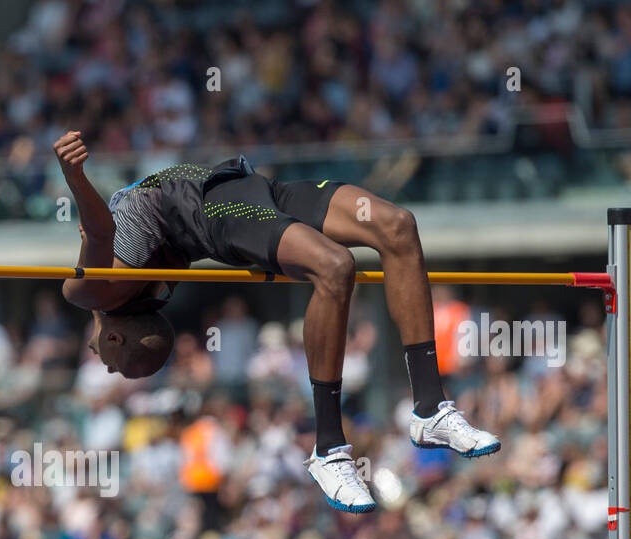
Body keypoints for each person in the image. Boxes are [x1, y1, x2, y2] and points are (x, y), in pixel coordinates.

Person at [53, 130, 500, 514]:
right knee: (334, 266)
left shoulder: (110, 292)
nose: (101, 362)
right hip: (223, 213)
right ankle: (328, 449)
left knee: (397, 225)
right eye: (112, 363)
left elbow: (100, 234)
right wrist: (76, 179)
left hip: (249, 188)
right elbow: (99, 233)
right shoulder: (95, 292)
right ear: (114, 334)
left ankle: (430, 409)